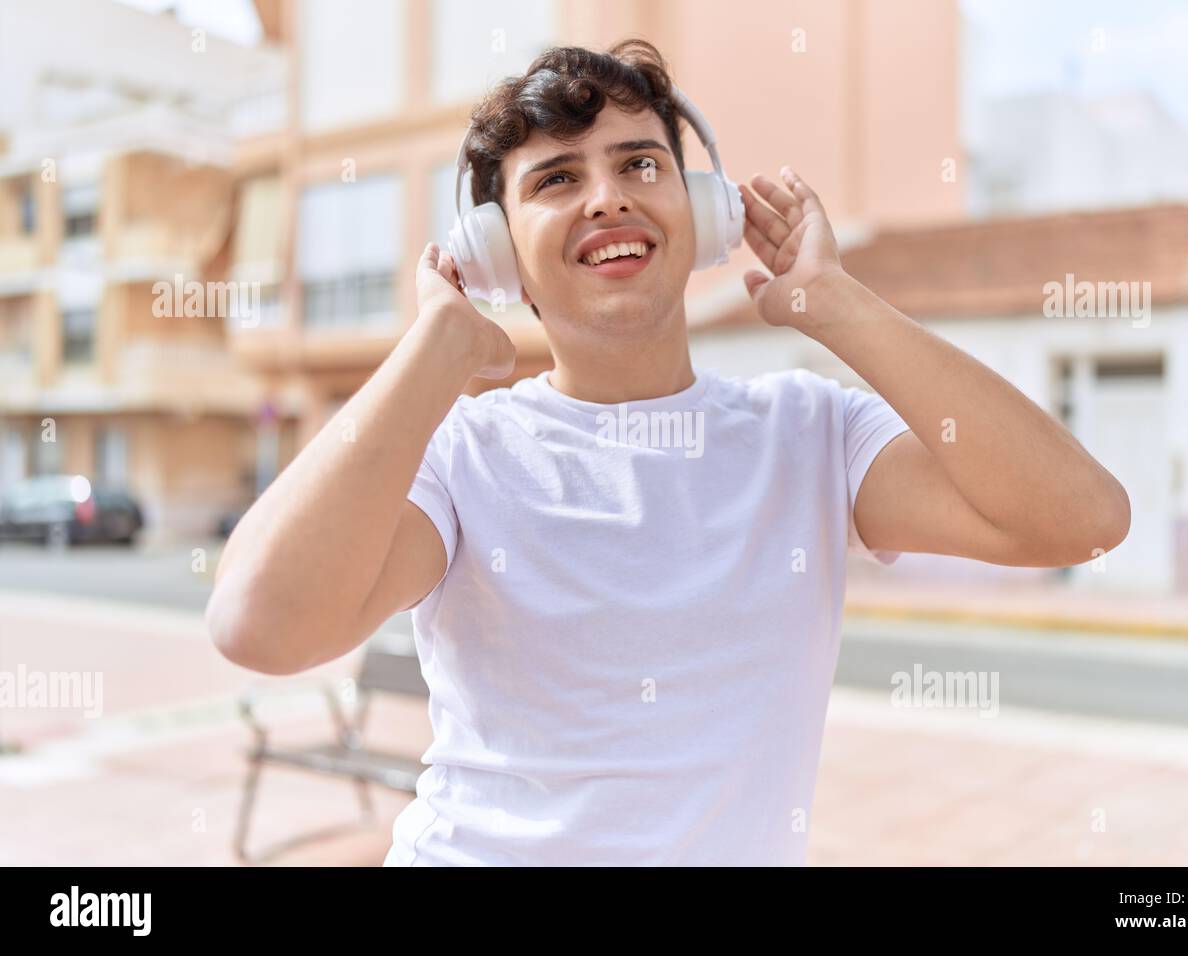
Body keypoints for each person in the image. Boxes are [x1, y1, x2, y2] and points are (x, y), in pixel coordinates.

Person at [206, 40, 1129, 866]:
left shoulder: (810, 435)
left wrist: (834, 302)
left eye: (639, 163)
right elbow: (259, 624)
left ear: (705, 215)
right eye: (556, 179)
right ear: (496, 257)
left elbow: (1082, 522)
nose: (606, 195)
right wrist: (433, 353)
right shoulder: (463, 455)